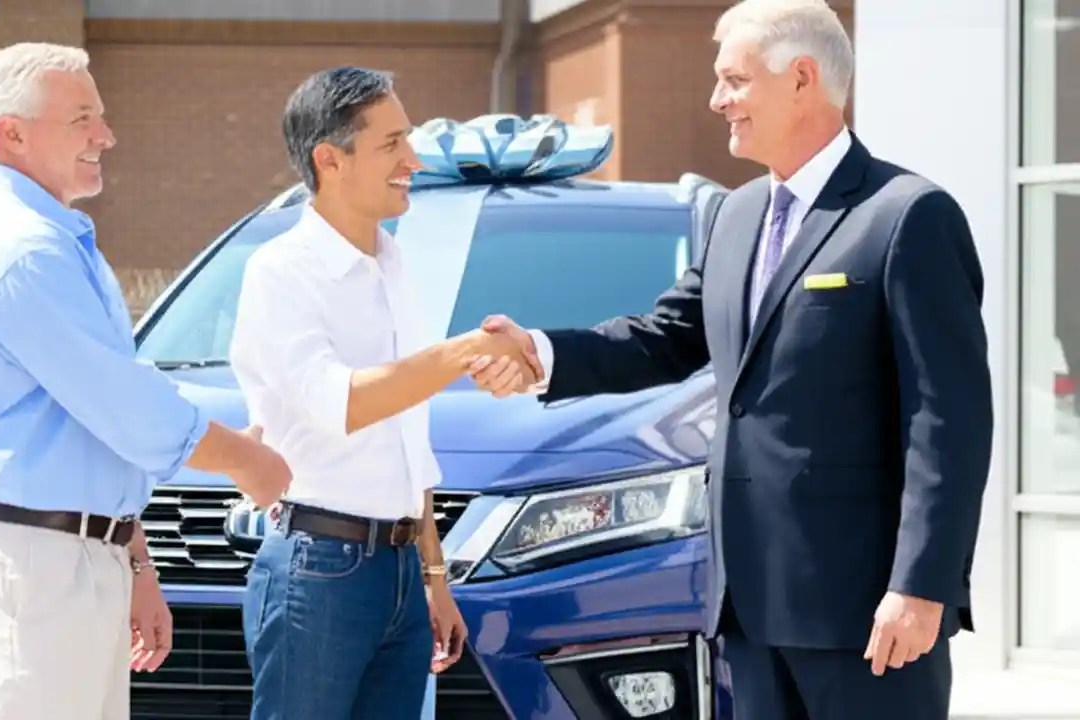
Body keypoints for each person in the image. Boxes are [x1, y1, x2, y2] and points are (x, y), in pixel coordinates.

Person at [472, 1, 993, 717]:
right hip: (746, 611)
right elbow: (665, 337)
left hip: (866, 615)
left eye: (734, 80)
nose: (718, 101)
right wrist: (540, 352)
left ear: (802, 78)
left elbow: (948, 421)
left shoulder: (906, 216)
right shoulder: (738, 213)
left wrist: (922, 585)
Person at [0, 42, 291, 720]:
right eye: (83, 118)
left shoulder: (52, 243)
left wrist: (133, 560)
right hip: (28, 566)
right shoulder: (22, 253)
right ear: (13, 133)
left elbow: (93, 424)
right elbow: (129, 411)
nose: (106, 136)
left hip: (62, 559)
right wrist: (248, 460)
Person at [229, 66, 538, 720]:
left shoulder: (394, 265)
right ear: (329, 160)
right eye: (393, 144)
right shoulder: (281, 273)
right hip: (320, 572)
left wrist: (432, 575)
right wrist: (464, 351)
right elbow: (341, 403)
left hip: (398, 572)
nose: (414, 160)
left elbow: (406, 439)